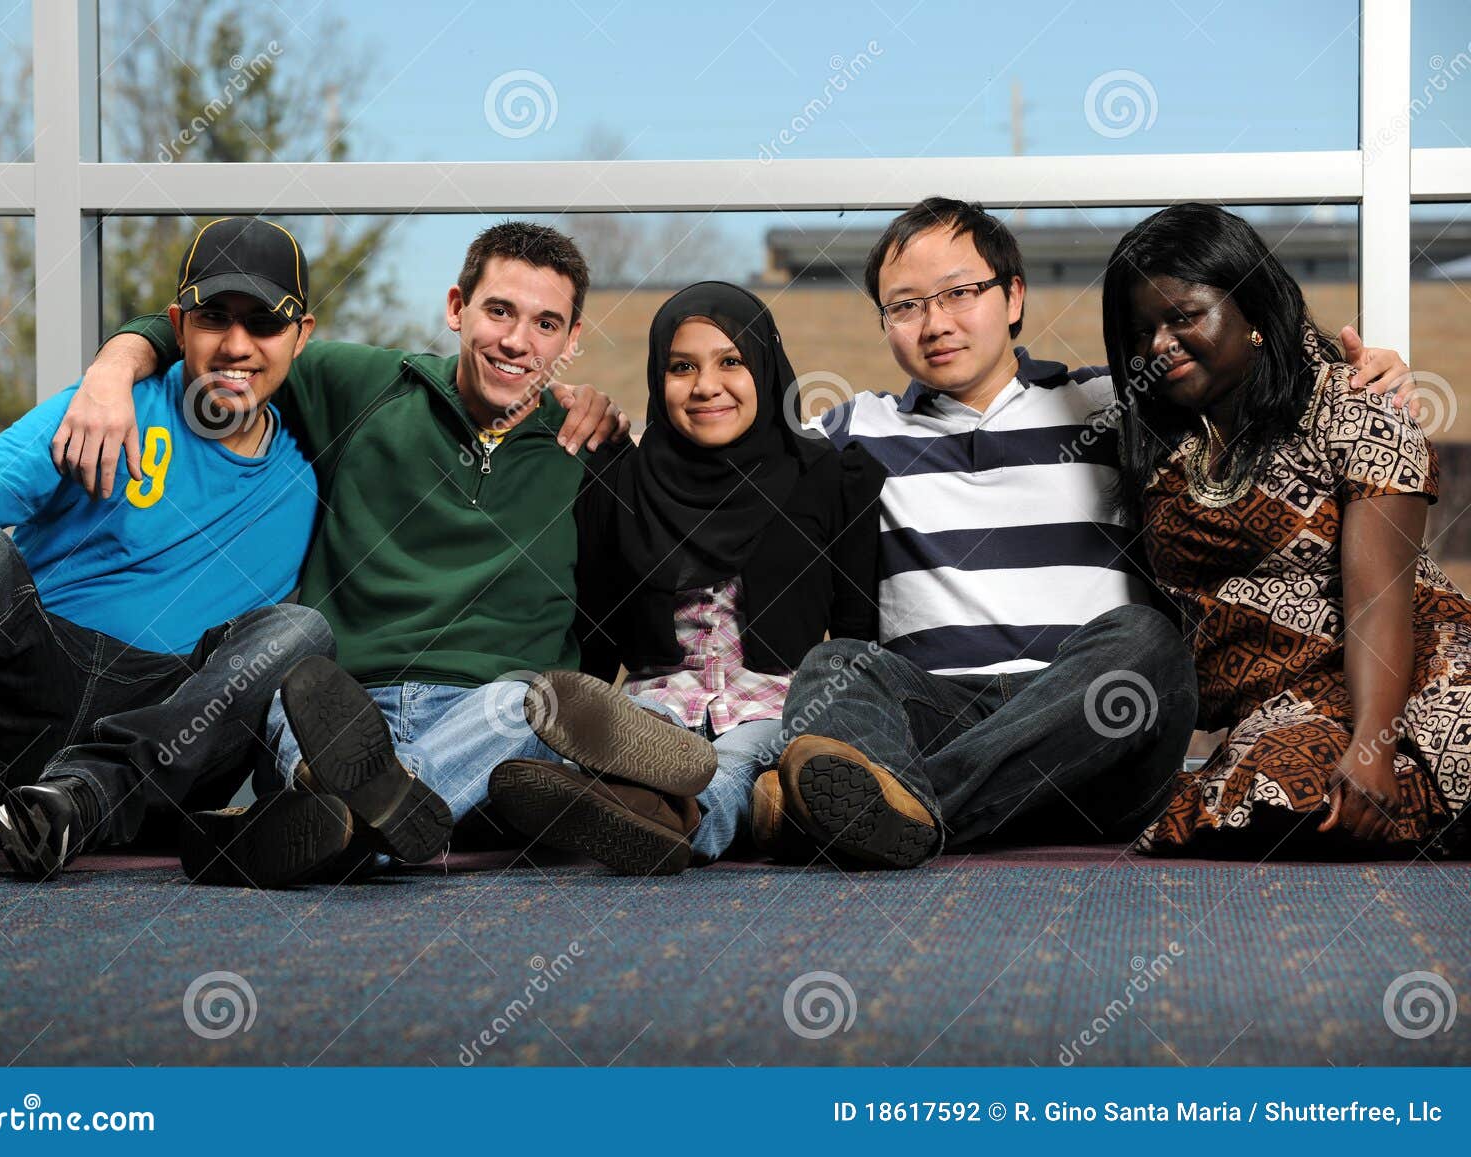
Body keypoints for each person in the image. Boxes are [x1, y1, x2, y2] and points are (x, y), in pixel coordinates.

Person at [772, 197, 1417, 869]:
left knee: (1147, 640)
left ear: (1013, 296)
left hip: (1099, 730)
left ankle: (886, 811)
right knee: (836, 665)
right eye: (905, 306)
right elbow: (734, 457)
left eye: (960, 293)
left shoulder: (1116, 403)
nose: (936, 322)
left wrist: (1368, 372)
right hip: (941, 712)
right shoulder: (856, 431)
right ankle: (894, 813)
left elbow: (1251, 378)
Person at [64, 222, 631, 878]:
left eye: (545, 324)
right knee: (282, 688)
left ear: (572, 339)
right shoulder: (364, 386)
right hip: (337, 702)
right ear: (456, 308)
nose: (516, 340)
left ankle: (335, 820)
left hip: (483, 717)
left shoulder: (588, 445)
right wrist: (109, 371)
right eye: (499, 310)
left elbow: (621, 596)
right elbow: (221, 338)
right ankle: (375, 821)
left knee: (543, 707)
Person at [0, 216, 339, 884]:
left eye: (264, 322)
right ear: (178, 327)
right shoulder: (105, 410)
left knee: (302, 630)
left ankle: (78, 800)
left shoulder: (307, 474)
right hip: (26, 698)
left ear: (302, 336)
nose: (237, 344)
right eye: (214, 318)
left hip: (157, 744)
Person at [1102, 203, 1469, 856]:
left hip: (1410, 674)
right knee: (1279, 791)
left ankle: (1412, 795)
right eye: (1142, 329)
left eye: (1183, 316)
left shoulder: (1355, 408)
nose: (1157, 345)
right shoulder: (1151, 434)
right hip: (1279, 709)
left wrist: (1373, 746)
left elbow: (1378, 597)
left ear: (1255, 315)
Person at [486, 282, 885, 874]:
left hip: (777, 708)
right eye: (681, 367)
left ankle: (673, 822)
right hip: (656, 707)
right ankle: (626, 801)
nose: (705, 386)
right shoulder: (618, 483)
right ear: (657, 375)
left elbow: (856, 636)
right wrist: (566, 719)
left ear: (768, 370)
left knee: (743, 753)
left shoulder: (828, 477)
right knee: (649, 734)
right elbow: (593, 631)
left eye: (732, 362)